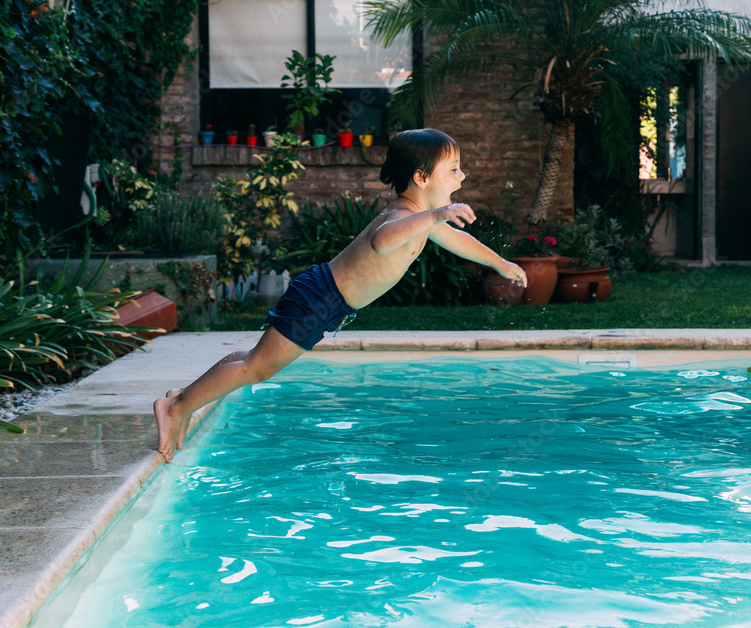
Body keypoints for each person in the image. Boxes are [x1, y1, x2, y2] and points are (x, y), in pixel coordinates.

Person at [154, 128, 528, 462]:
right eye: (454, 168)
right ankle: (174, 408)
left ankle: (183, 397)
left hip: (325, 300)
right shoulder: (405, 215)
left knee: (253, 358)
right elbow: (383, 241)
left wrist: (499, 263)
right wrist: (436, 216)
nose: (462, 176)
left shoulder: (420, 216)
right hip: (320, 298)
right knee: (259, 368)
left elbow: (458, 240)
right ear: (421, 177)